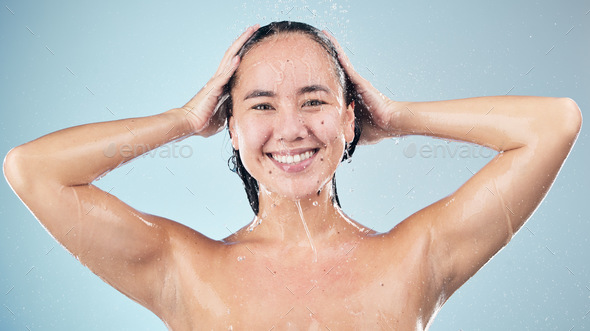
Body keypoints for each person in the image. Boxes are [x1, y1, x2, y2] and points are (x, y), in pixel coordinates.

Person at [3, 21, 581, 330]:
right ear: (228, 126)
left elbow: (555, 123)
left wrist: (400, 117)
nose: (290, 129)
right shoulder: (183, 268)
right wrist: (182, 120)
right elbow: (31, 169)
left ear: (351, 117)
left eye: (314, 101)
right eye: (259, 106)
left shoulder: (416, 257)